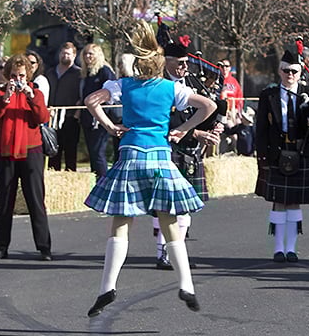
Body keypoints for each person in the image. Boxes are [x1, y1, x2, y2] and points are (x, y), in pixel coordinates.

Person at [84, 21, 216, 316]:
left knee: (120, 223)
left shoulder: (123, 86)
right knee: (170, 224)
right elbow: (208, 106)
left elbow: (91, 100)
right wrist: (182, 128)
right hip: (159, 157)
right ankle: (187, 285)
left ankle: (107, 287)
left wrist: (110, 126)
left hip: (130, 155)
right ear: (159, 64)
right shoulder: (171, 88)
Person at [152, 36, 222, 270]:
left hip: (190, 152)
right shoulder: (158, 85)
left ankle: (176, 249)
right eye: (180, 63)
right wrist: (195, 134)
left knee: (185, 204)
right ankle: (163, 250)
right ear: (166, 62)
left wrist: (214, 127)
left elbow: (206, 111)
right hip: (166, 147)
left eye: (186, 63)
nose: (184, 67)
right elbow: (165, 121)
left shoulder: (193, 82)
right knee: (165, 203)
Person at [255, 49, 309, 263]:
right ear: (279, 71)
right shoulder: (269, 94)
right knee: (278, 201)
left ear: (300, 72)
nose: (289, 74)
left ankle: (291, 249)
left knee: (294, 202)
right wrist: (262, 155)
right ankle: (278, 250)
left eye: (293, 71)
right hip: (277, 151)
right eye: (285, 70)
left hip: (301, 151)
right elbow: (261, 128)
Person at [0, 54, 53, 261]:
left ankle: (44, 247)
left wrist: (31, 96)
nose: (17, 79)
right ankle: (1, 246)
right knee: (5, 201)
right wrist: (5, 99)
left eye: (21, 75)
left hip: (31, 150)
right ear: (8, 76)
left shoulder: (36, 93)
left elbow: (42, 117)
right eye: (13, 76)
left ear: (28, 75)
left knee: (35, 200)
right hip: (5, 151)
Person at [79, 43, 117, 179]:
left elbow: (113, 95)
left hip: (101, 118)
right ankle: (95, 180)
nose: (87, 56)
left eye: (91, 53)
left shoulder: (105, 71)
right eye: (85, 53)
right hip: (87, 117)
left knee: (98, 152)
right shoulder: (87, 72)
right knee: (92, 153)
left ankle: (103, 181)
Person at [45, 42, 81, 171]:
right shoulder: (50, 72)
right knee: (53, 149)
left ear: (74, 55)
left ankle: (70, 176)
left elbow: (82, 95)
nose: (65, 56)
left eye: (68, 53)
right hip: (52, 117)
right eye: (63, 53)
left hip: (70, 116)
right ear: (59, 54)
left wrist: (77, 113)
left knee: (70, 151)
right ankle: (53, 176)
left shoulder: (79, 74)